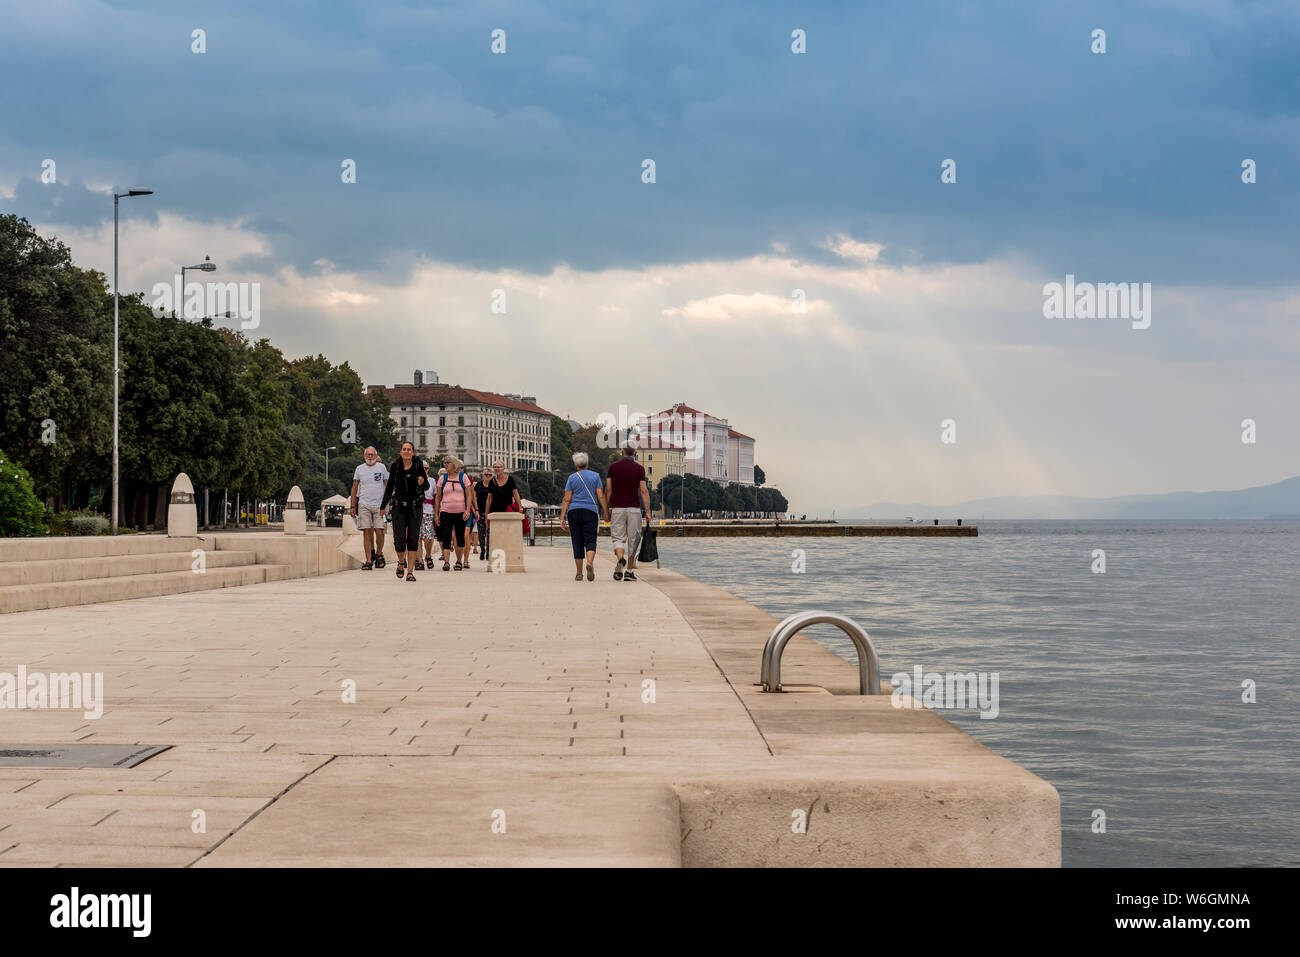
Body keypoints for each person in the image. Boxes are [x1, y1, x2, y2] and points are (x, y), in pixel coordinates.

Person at [380, 441, 428, 581]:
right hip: (399, 507)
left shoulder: (418, 466)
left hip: (415, 507)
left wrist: (421, 482)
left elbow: (426, 485)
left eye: (409, 449)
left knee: (413, 540)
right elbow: (389, 488)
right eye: (404, 449)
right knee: (399, 541)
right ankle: (401, 562)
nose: (406, 451)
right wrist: (383, 506)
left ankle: (410, 572)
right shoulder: (395, 467)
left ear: (413, 452)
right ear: (401, 452)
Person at [560, 452, 607, 581]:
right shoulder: (595, 476)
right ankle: (590, 563)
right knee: (590, 540)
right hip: (590, 510)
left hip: (574, 511)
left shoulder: (572, 478)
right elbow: (600, 495)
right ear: (587, 463)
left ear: (576, 465)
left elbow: (567, 498)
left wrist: (562, 517)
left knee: (577, 541)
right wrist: (606, 511)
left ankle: (579, 573)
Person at [605, 443, 650, 582]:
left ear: (622, 452)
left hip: (617, 507)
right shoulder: (639, 469)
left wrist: (606, 509)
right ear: (635, 453)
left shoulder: (613, 467)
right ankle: (629, 571)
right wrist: (647, 511)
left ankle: (620, 560)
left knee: (618, 538)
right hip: (634, 509)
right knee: (633, 539)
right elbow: (643, 490)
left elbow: (608, 490)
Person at [349, 447, 389, 570]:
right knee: (366, 531)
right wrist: (353, 505)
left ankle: (379, 553)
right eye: (368, 454)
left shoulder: (382, 468)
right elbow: (355, 487)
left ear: (376, 456)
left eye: (372, 454)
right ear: (364, 456)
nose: (370, 457)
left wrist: (388, 503)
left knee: (379, 531)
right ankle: (368, 560)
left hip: (379, 504)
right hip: (364, 504)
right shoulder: (359, 469)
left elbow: (387, 485)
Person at [435, 456, 477, 570]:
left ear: (454, 464)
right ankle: (447, 562)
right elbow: (438, 497)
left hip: (460, 512)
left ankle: (459, 561)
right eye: (444, 463)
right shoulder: (442, 478)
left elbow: (469, 495)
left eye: (448, 463)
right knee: (446, 536)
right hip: (446, 511)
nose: (445, 465)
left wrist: (468, 510)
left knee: (460, 537)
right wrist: (436, 514)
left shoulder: (463, 477)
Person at [417, 467, 441, 570]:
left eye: (426, 468)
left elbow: (436, 497)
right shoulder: (414, 479)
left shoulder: (432, 481)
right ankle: (419, 561)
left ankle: (428, 555)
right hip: (416, 511)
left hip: (428, 511)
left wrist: (436, 513)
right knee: (417, 537)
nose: (424, 470)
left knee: (428, 537)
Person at [473, 468, 492, 561]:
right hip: (480, 512)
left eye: (489, 475)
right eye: (486, 474)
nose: (488, 476)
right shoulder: (478, 485)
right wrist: (476, 510)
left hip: (491, 513)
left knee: (489, 534)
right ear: (482, 475)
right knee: (481, 534)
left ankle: (488, 551)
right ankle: (482, 550)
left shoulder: (493, 485)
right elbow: (474, 497)